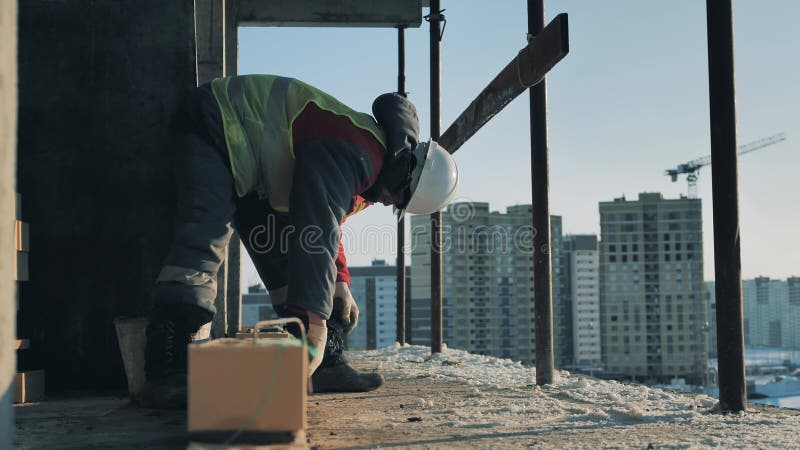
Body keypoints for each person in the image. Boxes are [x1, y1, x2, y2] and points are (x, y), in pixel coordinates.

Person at [138, 74, 458, 409]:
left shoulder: (372, 171)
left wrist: (340, 283)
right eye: (400, 196)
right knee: (205, 236)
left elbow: (326, 222)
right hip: (216, 125)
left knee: (291, 260)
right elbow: (318, 227)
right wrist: (318, 324)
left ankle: (320, 367)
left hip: (254, 172)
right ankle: (167, 367)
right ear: (406, 169)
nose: (391, 201)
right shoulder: (361, 150)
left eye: (399, 204)